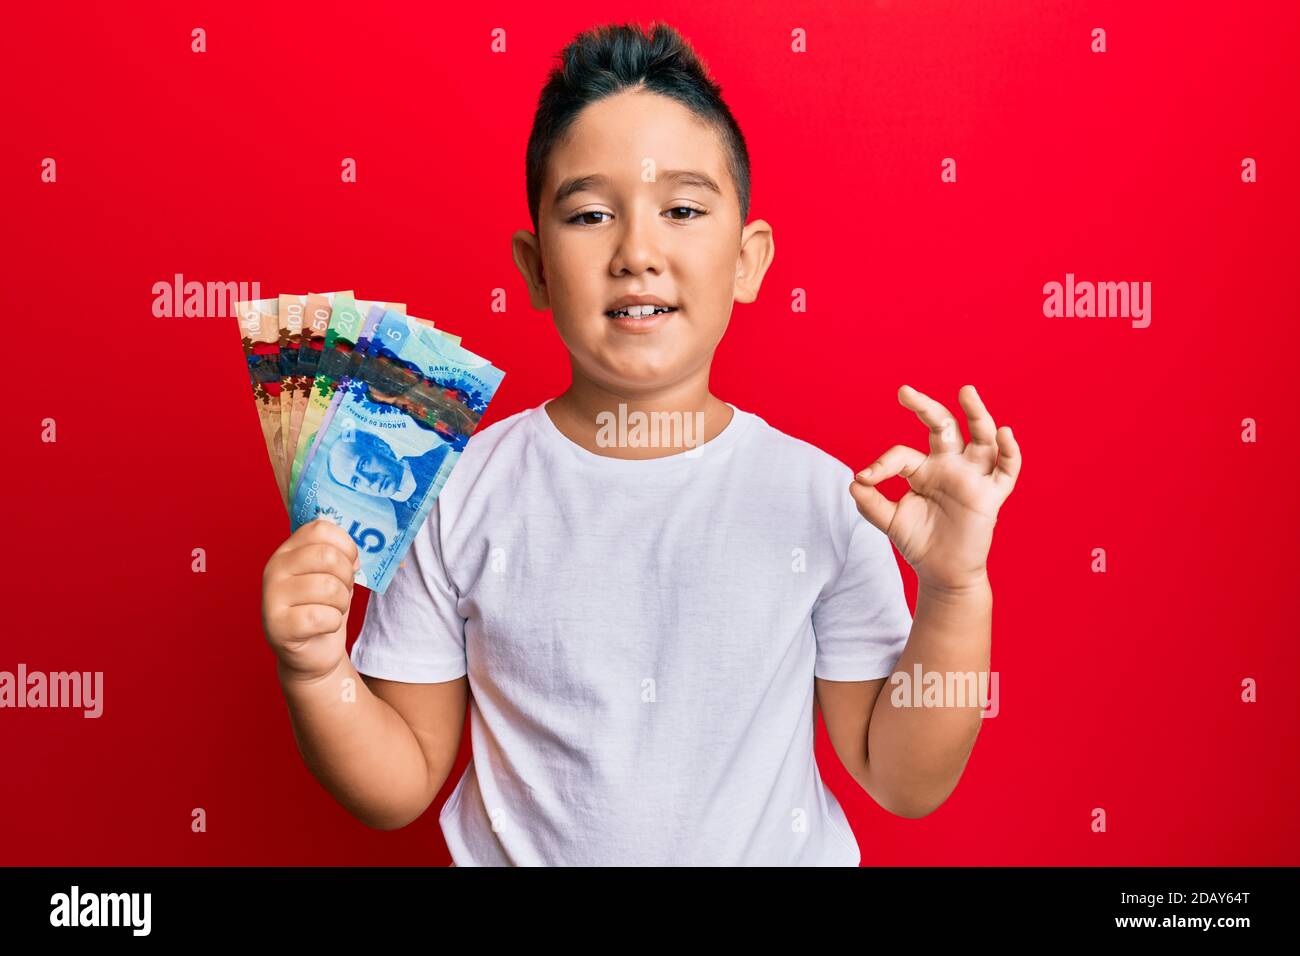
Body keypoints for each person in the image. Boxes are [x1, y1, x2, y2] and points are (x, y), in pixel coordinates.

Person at [261, 20, 1022, 866]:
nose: (638, 253)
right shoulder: (455, 491)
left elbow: (902, 779)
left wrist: (956, 591)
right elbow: (398, 785)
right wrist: (314, 669)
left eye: (684, 210)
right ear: (536, 268)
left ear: (748, 258)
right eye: (589, 214)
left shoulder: (827, 501)